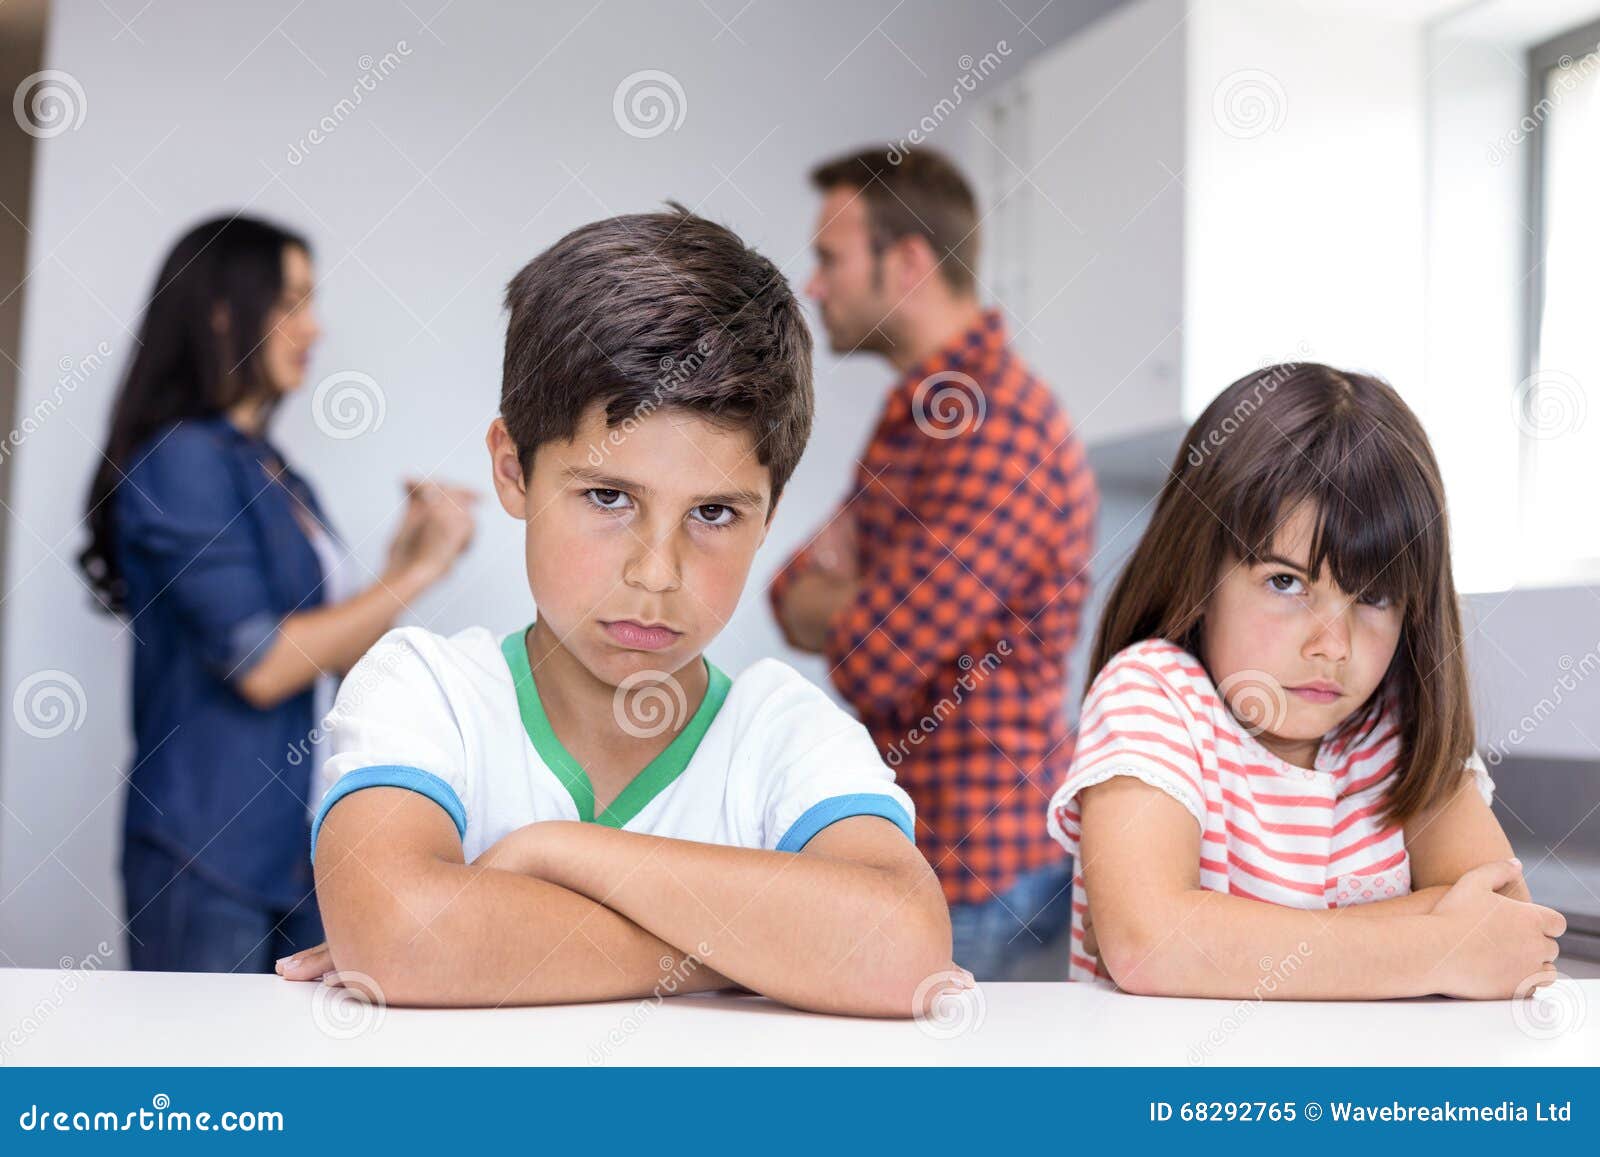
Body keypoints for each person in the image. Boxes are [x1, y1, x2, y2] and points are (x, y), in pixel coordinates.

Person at [276, 206, 960, 1015]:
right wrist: (759, 951)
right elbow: (405, 939)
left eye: (713, 514)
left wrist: (550, 855)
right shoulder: (425, 690)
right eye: (608, 496)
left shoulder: (786, 731)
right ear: (513, 470)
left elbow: (904, 951)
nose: (656, 571)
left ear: (769, 516)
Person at [1048, 363, 1565, 998]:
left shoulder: (1399, 728)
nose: (1332, 645)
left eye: (1373, 596)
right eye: (1286, 583)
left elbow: (1507, 922)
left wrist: (1218, 937)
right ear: (1201, 578)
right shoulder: (1153, 694)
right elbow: (1152, 946)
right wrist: (1438, 945)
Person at [80, 215, 476, 973]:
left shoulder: (274, 471)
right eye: (291, 303)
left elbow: (330, 651)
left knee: (293, 1081)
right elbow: (263, 664)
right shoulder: (180, 461)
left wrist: (409, 552)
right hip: (207, 851)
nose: (315, 328)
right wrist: (416, 573)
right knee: (202, 1085)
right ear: (224, 311)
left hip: (293, 854)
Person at [769, 147, 1097, 979]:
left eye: (829, 258)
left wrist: (844, 605)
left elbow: (874, 656)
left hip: (981, 872)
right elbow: (785, 589)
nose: (813, 284)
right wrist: (850, 601)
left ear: (908, 262)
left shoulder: (997, 425)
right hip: (934, 859)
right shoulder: (920, 415)